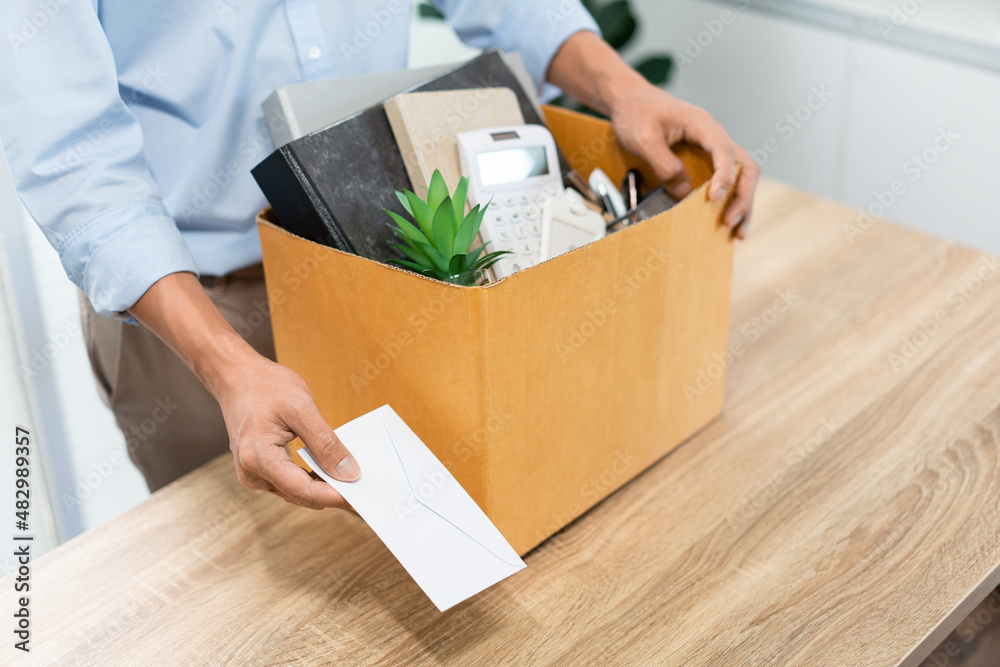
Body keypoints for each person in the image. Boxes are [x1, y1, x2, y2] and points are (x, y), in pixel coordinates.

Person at [0, 1, 759, 510]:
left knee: (412, 559)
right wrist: (229, 368)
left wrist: (620, 87)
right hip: (194, 314)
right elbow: (75, 157)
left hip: (377, 268)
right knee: (244, 600)